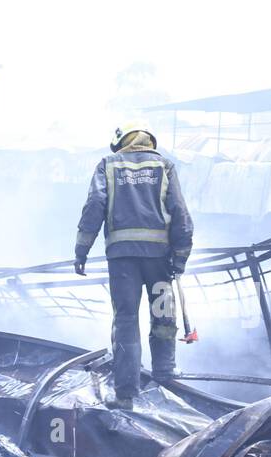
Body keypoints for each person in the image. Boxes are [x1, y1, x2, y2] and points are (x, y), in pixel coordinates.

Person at [74, 122, 194, 410]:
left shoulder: (108, 165)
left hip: (122, 258)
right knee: (163, 314)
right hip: (160, 258)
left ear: (121, 143)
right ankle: (165, 372)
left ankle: (126, 394)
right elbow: (180, 212)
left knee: (126, 321)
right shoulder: (164, 166)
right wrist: (180, 256)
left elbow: (94, 206)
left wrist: (81, 249)